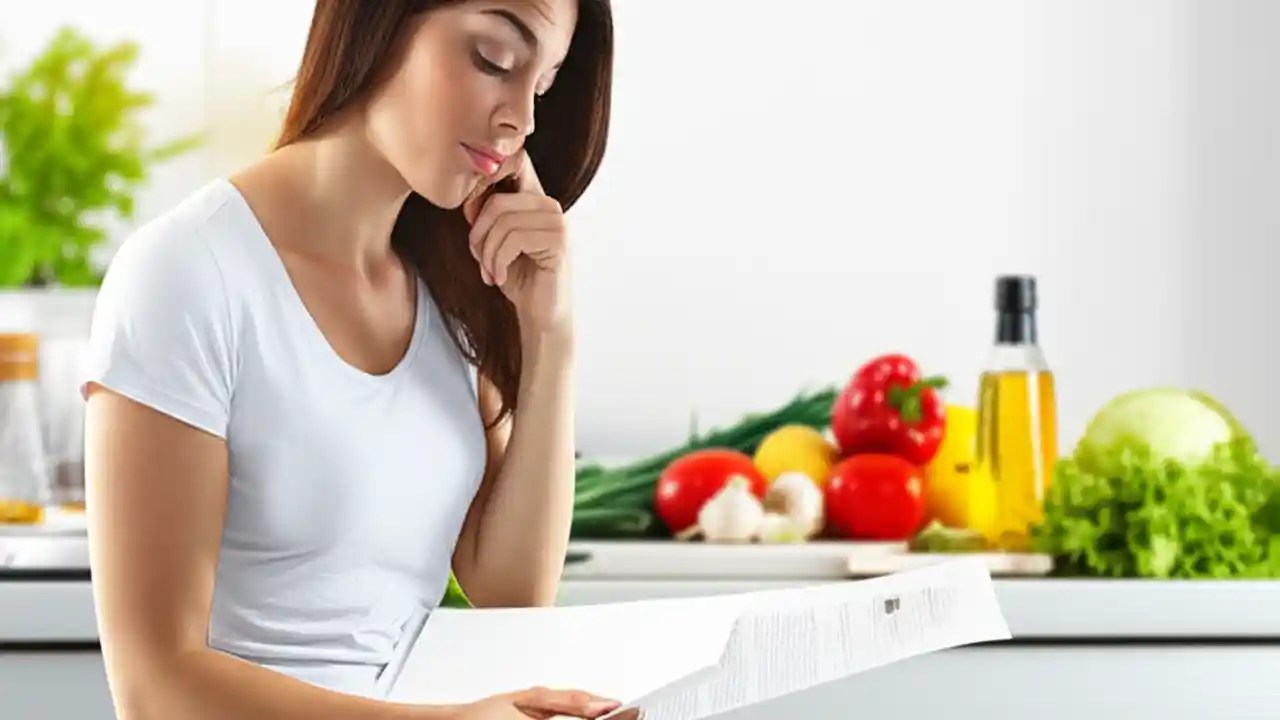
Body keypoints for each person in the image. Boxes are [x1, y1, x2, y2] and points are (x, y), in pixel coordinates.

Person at [81, 1, 635, 718]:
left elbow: (513, 591)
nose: (521, 119)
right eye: (494, 58)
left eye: (544, 85)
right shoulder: (187, 271)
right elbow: (156, 688)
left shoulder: (448, 290)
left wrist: (551, 333)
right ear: (378, 20)